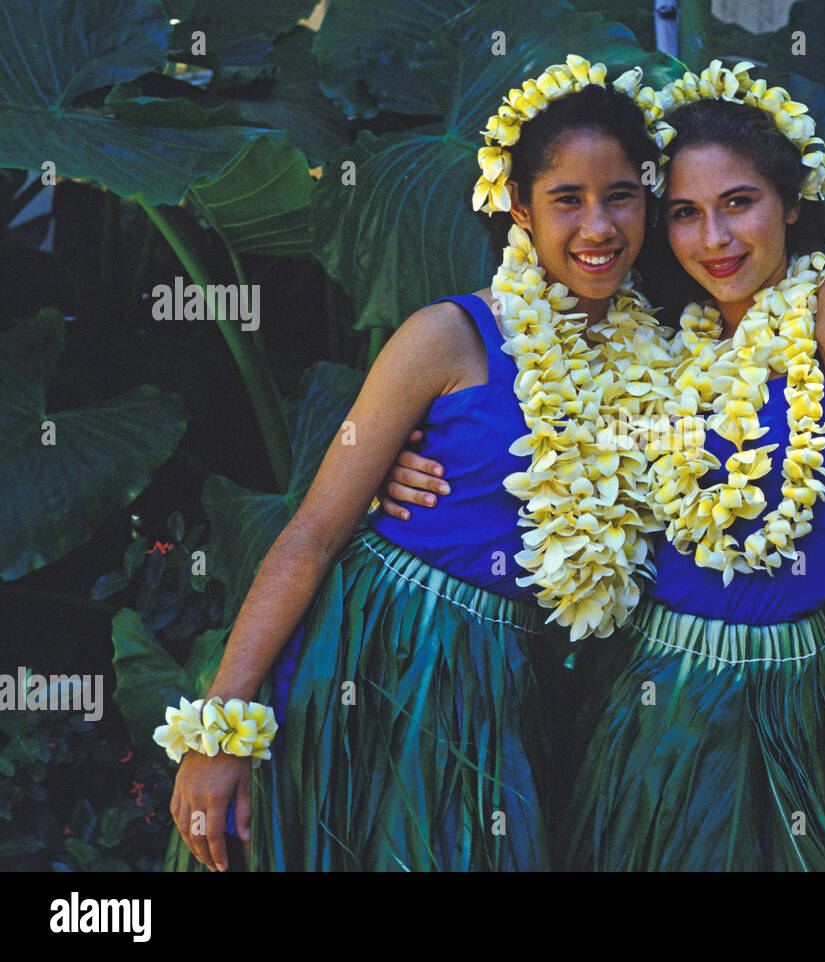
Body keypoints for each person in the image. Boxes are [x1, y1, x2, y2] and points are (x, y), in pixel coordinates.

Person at [385, 63, 825, 871]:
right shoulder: (652, 339)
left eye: (739, 204)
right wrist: (398, 470)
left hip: (785, 696)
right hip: (640, 699)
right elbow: (521, 432)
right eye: (683, 213)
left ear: (792, 202)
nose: (714, 240)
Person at [163, 63, 672, 872]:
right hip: (376, 655)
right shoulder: (450, 336)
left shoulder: (668, 353)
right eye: (565, 200)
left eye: (621, 195)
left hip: (514, 687)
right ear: (517, 207)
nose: (598, 226)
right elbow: (313, 534)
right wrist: (218, 733)